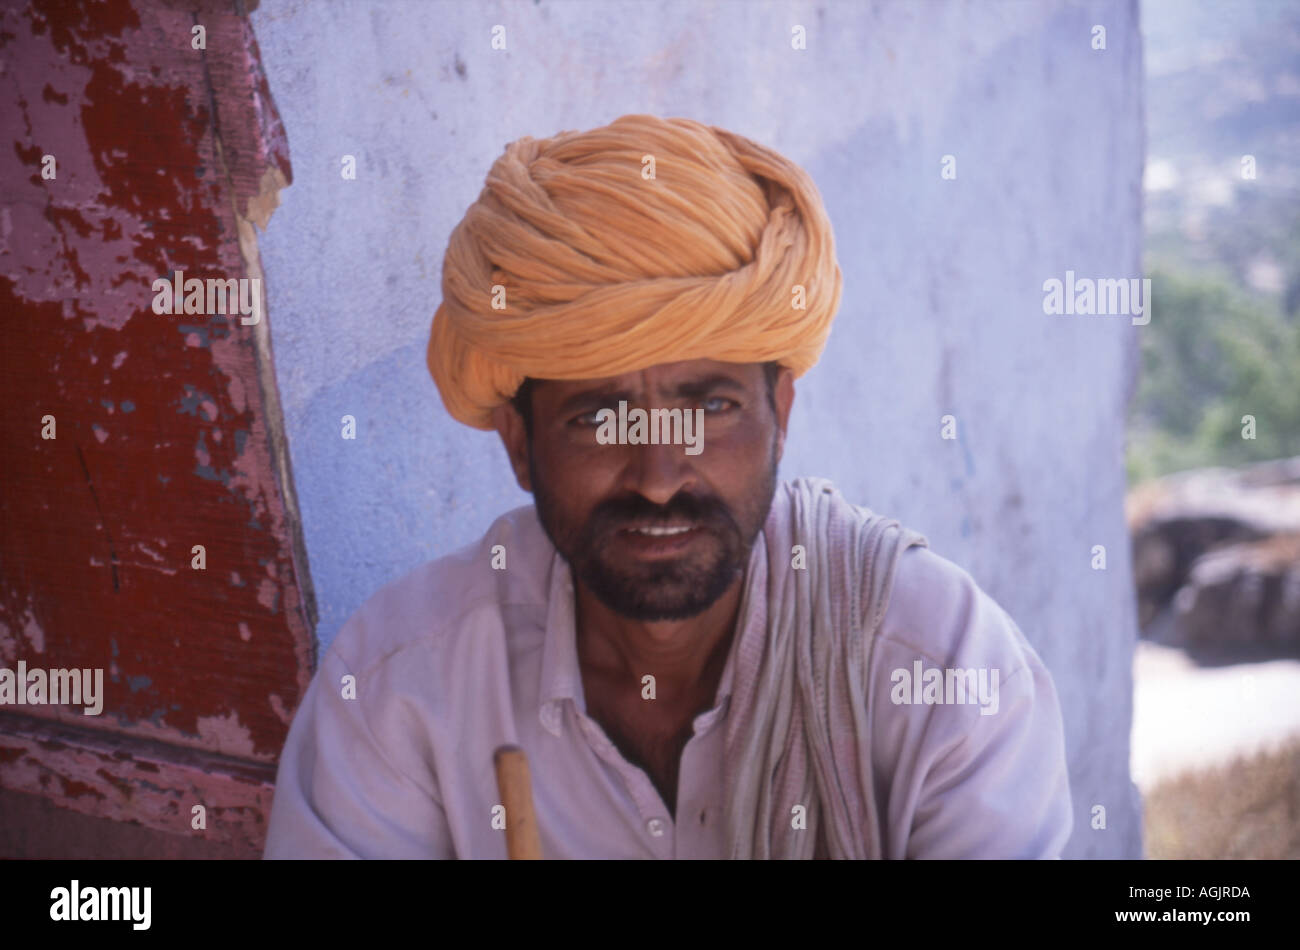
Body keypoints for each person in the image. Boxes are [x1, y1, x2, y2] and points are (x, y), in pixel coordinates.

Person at [264, 114, 1072, 859]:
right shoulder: (403, 687)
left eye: (710, 409)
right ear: (519, 442)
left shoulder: (940, 671)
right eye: (597, 419)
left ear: (779, 414)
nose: (657, 479)